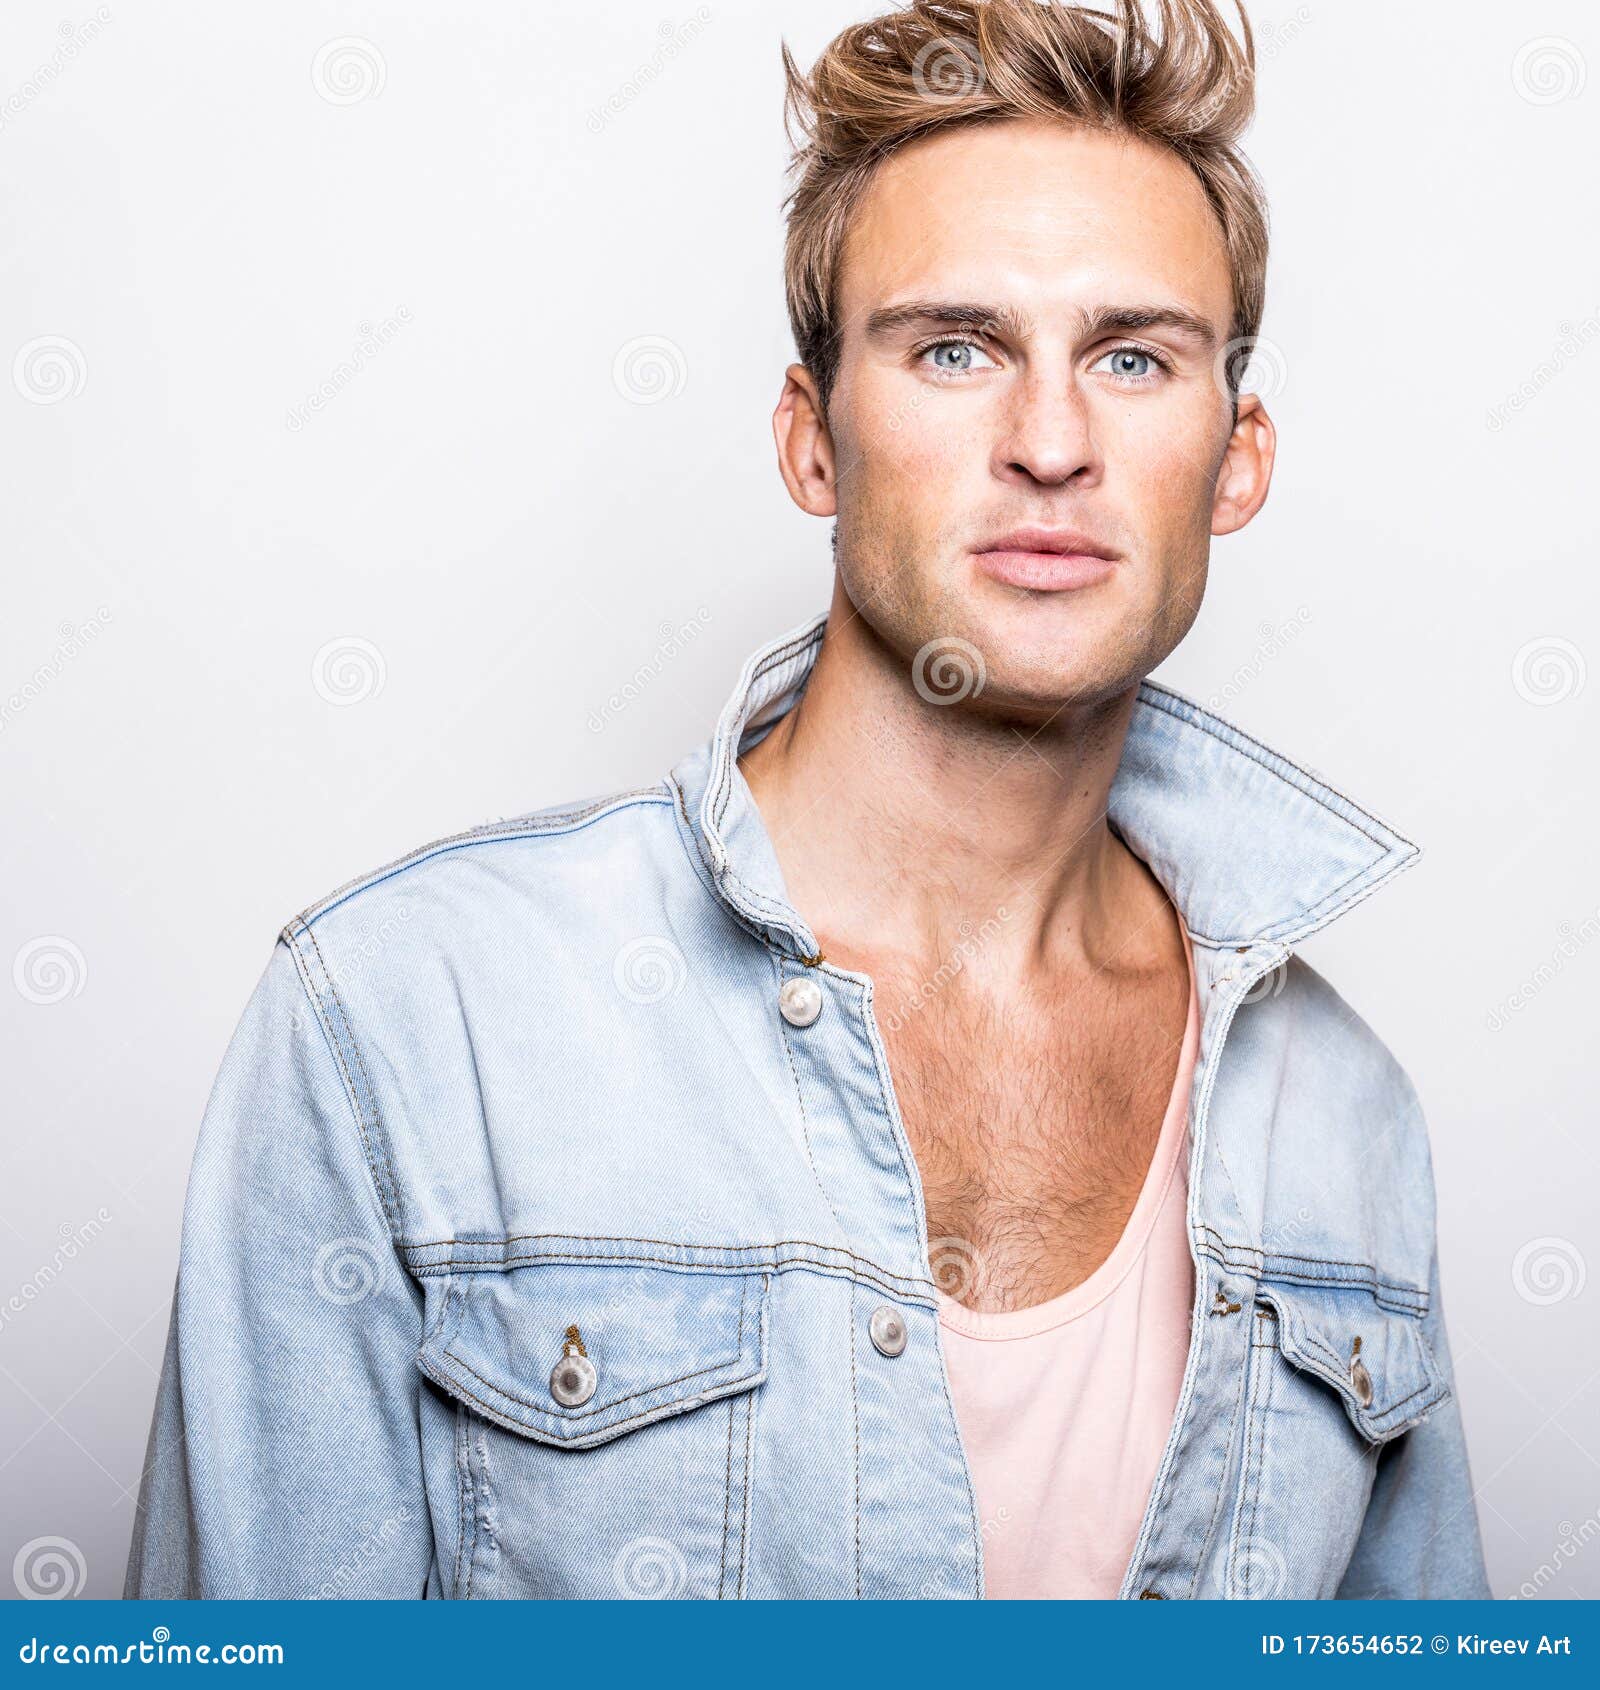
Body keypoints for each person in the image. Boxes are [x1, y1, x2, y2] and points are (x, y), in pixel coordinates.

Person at [126, 0, 1491, 1600]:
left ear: (1236, 458)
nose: (1051, 442)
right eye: (954, 348)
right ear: (813, 442)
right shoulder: (406, 1023)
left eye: (1132, 357)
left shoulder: (1339, 1114)